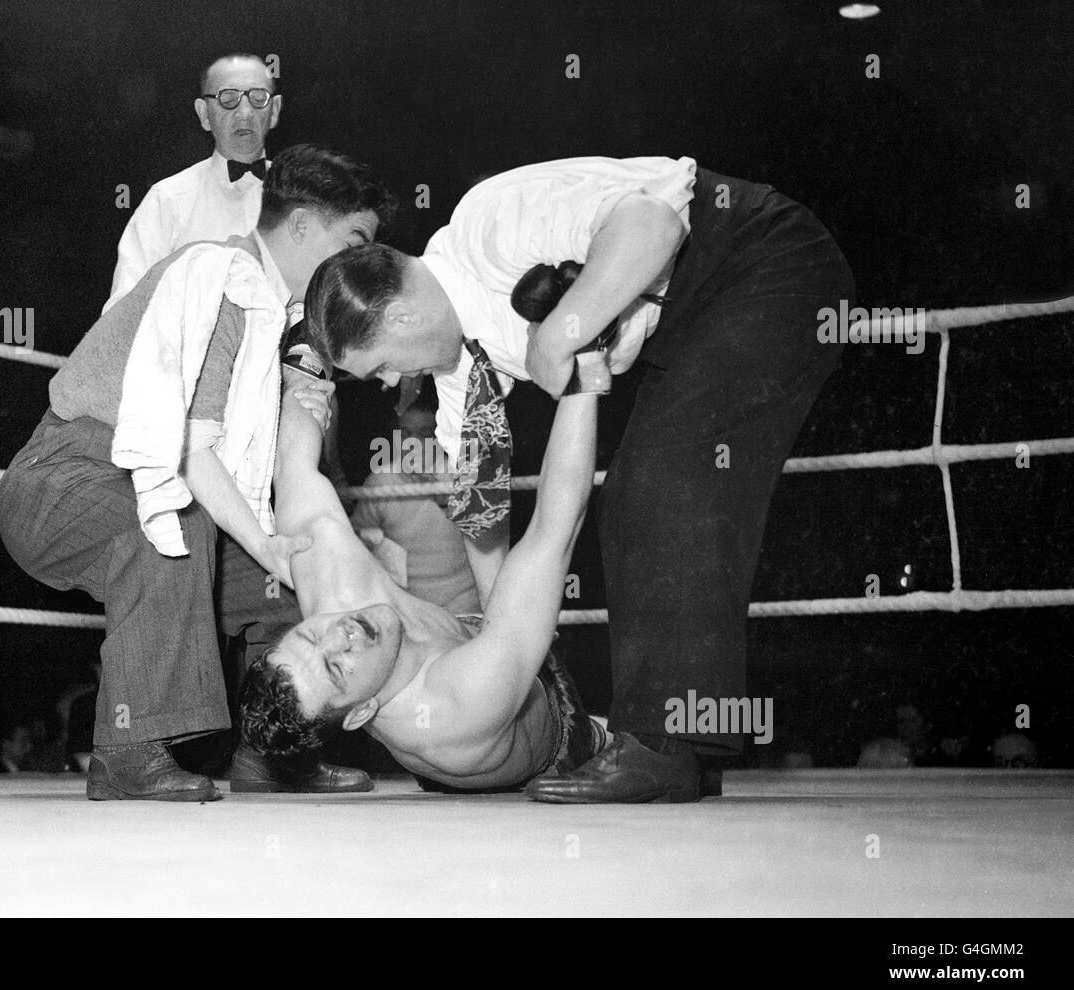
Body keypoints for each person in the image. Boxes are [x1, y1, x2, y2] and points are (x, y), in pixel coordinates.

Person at [303, 156, 853, 803]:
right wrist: (512, 638)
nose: (395, 382)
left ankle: (663, 747)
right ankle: (687, 742)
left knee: (663, 482)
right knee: (629, 501)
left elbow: (651, 224)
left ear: (397, 319)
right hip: (690, 320)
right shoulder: (461, 378)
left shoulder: (487, 223)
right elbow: (480, 516)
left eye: (380, 367)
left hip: (755, 258)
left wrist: (560, 333)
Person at [0, 144, 395, 801]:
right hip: (63, 475)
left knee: (296, 578)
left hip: (167, 484)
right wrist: (264, 540)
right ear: (300, 228)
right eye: (353, 240)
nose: (361, 265)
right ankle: (127, 751)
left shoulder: (278, 322)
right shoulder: (218, 277)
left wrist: (309, 420)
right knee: (175, 519)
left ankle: (273, 752)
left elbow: (281, 484)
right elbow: (185, 453)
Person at [237, 323, 612, 795]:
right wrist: (586, 356)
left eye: (310, 635)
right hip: (544, 730)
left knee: (479, 511)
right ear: (360, 713)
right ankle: (600, 733)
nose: (340, 635)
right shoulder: (461, 703)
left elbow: (293, 465)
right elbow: (553, 531)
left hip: (477, 632)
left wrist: (311, 344)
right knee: (609, 731)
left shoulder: (330, 587)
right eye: (335, 668)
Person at [104, 52, 282, 312]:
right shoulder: (167, 200)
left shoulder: (304, 197)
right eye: (228, 98)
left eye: (258, 99)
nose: (245, 113)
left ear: (274, 110)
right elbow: (122, 312)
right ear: (204, 114)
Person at [348, 385, 481, 615]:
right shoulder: (381, 481)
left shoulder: (461, 474)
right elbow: (358, 540)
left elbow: (490, 535)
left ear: (439, 435)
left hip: (465, 599)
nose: (413, 442)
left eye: (424, 433)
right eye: (406, 433)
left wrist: (448, 501)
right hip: (407, 605)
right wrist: (374, 540)